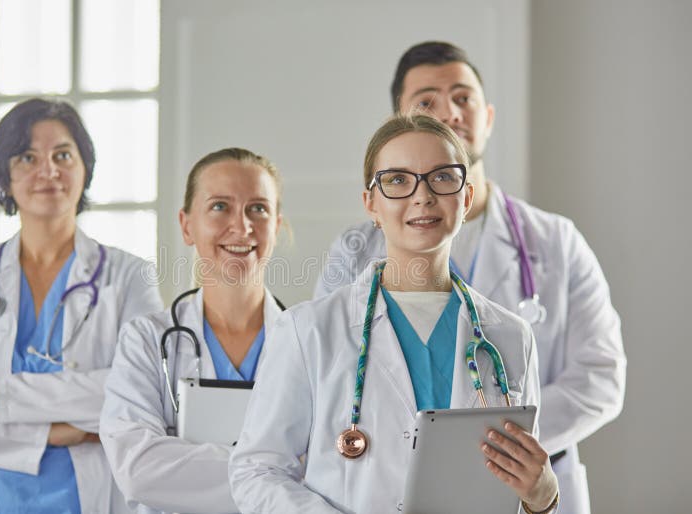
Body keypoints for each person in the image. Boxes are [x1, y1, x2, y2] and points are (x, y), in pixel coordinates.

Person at [313, 41, 626, 513]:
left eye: (464, 98)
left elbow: (600, 378)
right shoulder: (355, 251)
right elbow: (327, 378)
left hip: (530, 490)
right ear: (400, 117)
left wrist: (496, 446)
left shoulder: (557, 241)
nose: (450, 112)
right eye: (427, 101)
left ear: (489, 116)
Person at [230, 114, 560, 513]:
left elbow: (512, 490)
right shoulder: (309, 330)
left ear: (467, 197)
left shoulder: (510, 336)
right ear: (371, 203)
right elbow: (256, 471)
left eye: (442, 177)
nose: (423, 196)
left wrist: (542, 499)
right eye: (399, 180)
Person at [0, 98, 163, 513]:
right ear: (5, 175)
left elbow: (140, 389)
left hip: (85, 494)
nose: (48, 171)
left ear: (84, 168)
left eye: (62, 155)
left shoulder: (130, 277)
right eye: (27, 157)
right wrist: (53, 433)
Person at [100, 148, 286, 513]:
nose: (242, 226)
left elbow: (332, 466)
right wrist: (277, 469)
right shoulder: (146, 340)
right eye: (220, 206)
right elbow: (138, 470)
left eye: (258, 208)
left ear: (277, 226)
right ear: (187, 226)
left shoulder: (307, 341)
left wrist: (187, 466)